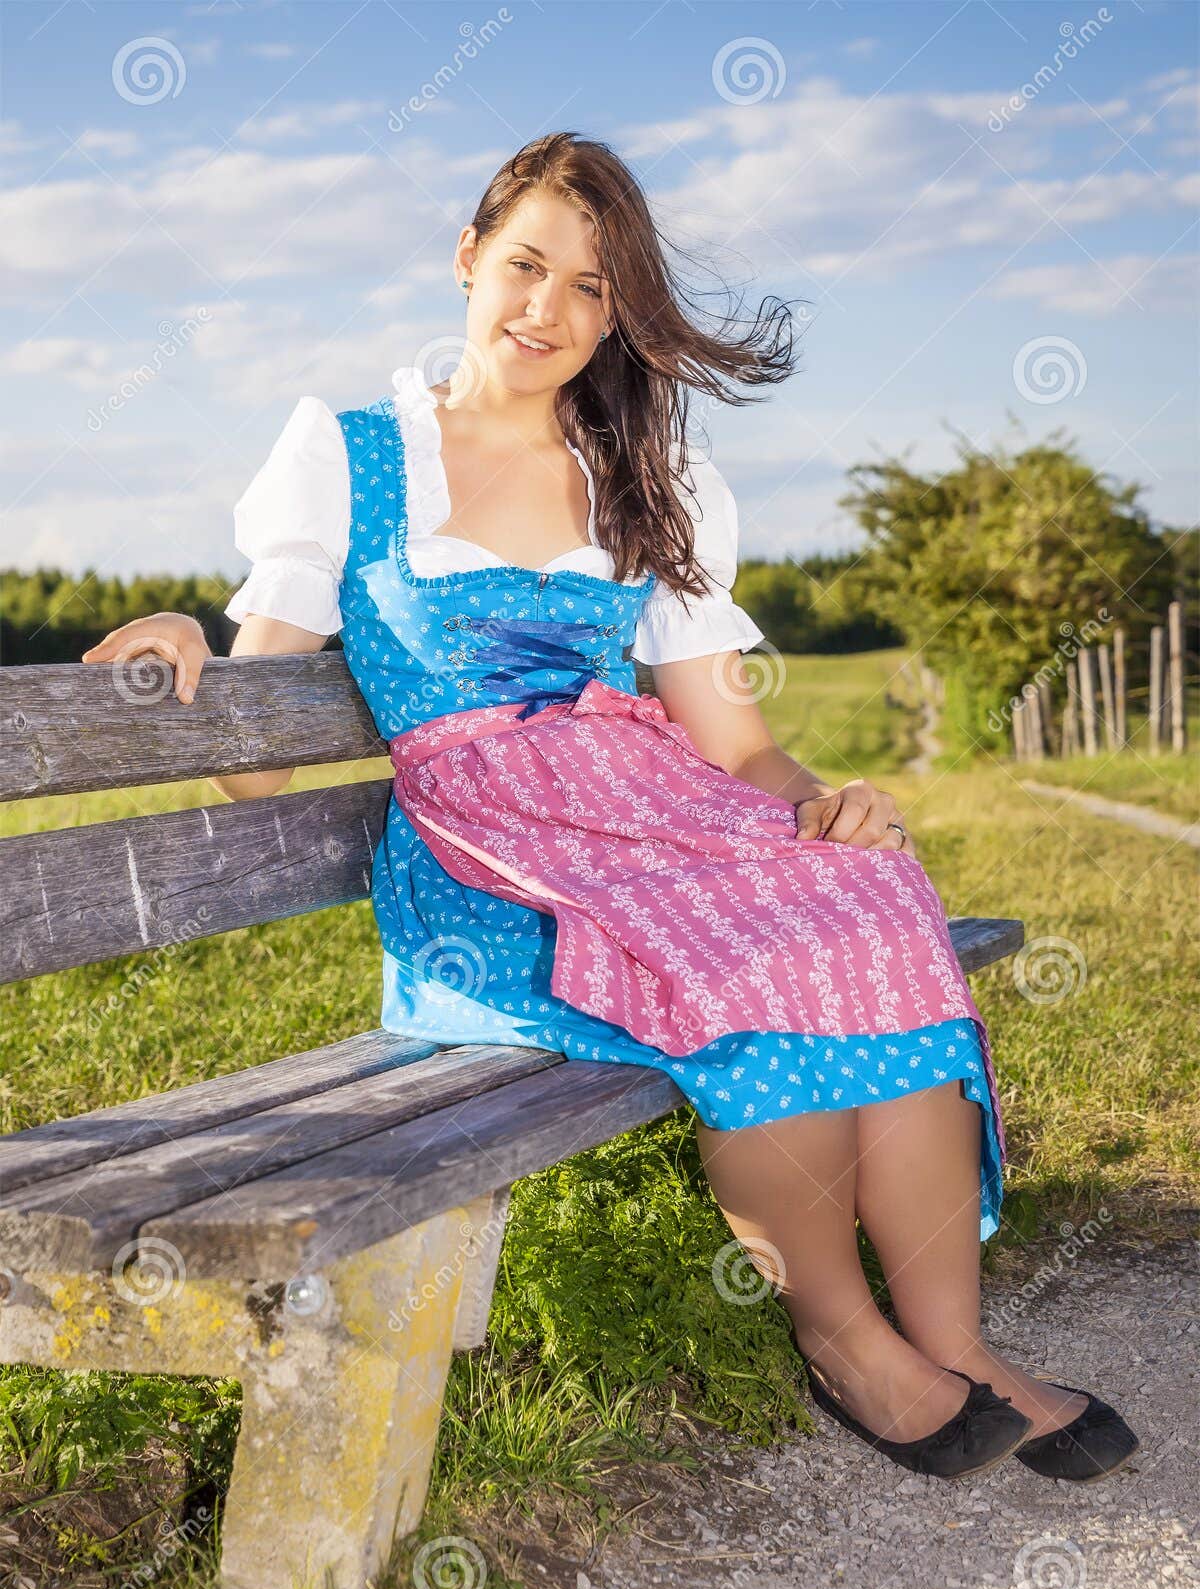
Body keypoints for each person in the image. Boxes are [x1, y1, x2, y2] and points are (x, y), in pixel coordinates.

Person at [83, 131, 1137, 1484]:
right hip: (491, 873)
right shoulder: (352, 453)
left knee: (872, 895)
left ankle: (959, 1341)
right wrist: (183, 634)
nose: (550, 309)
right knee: (748, 957)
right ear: (468, 259)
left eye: (591, 288)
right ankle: (845, 1335)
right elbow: (256, 757)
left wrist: (832, 805)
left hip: (652, 818)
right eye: (526, 265)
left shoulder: (647, 474)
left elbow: (737, 744)